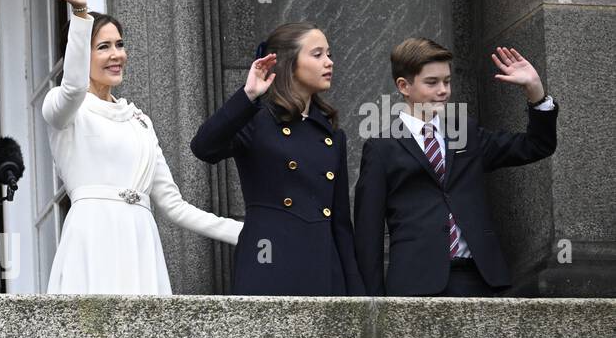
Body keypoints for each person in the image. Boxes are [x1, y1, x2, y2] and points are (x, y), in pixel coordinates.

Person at [40, 0, 242, 295]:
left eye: (119, 44)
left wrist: (242, 232)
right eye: (103, 47)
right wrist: (80, 13)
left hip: (140, 241)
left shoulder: (139, 121)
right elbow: (74, 87)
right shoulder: (63, 109)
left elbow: (174, 206)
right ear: (80, 54)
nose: (116, 54)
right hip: (92, 236)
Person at [353, 38, 557, 297]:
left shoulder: (465, 133)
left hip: (480, 279)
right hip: (415, 284)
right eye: (432, 82)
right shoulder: (382, 147)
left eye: (447, 81)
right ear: (404, 86)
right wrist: (373, 302)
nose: (443, 90)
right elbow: (367, 232)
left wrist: (535, 91)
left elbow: (537, 146)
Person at [191, 23, 364, 296]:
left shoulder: (332, 135)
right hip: (268, 258)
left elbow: (340, 221)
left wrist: (356, 293)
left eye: (328, 54)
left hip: (322, 263)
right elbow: (204, 147)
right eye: (317, 54)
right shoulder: (256, 120)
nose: (329, 62)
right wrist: (247, 95)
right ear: (288, 63)